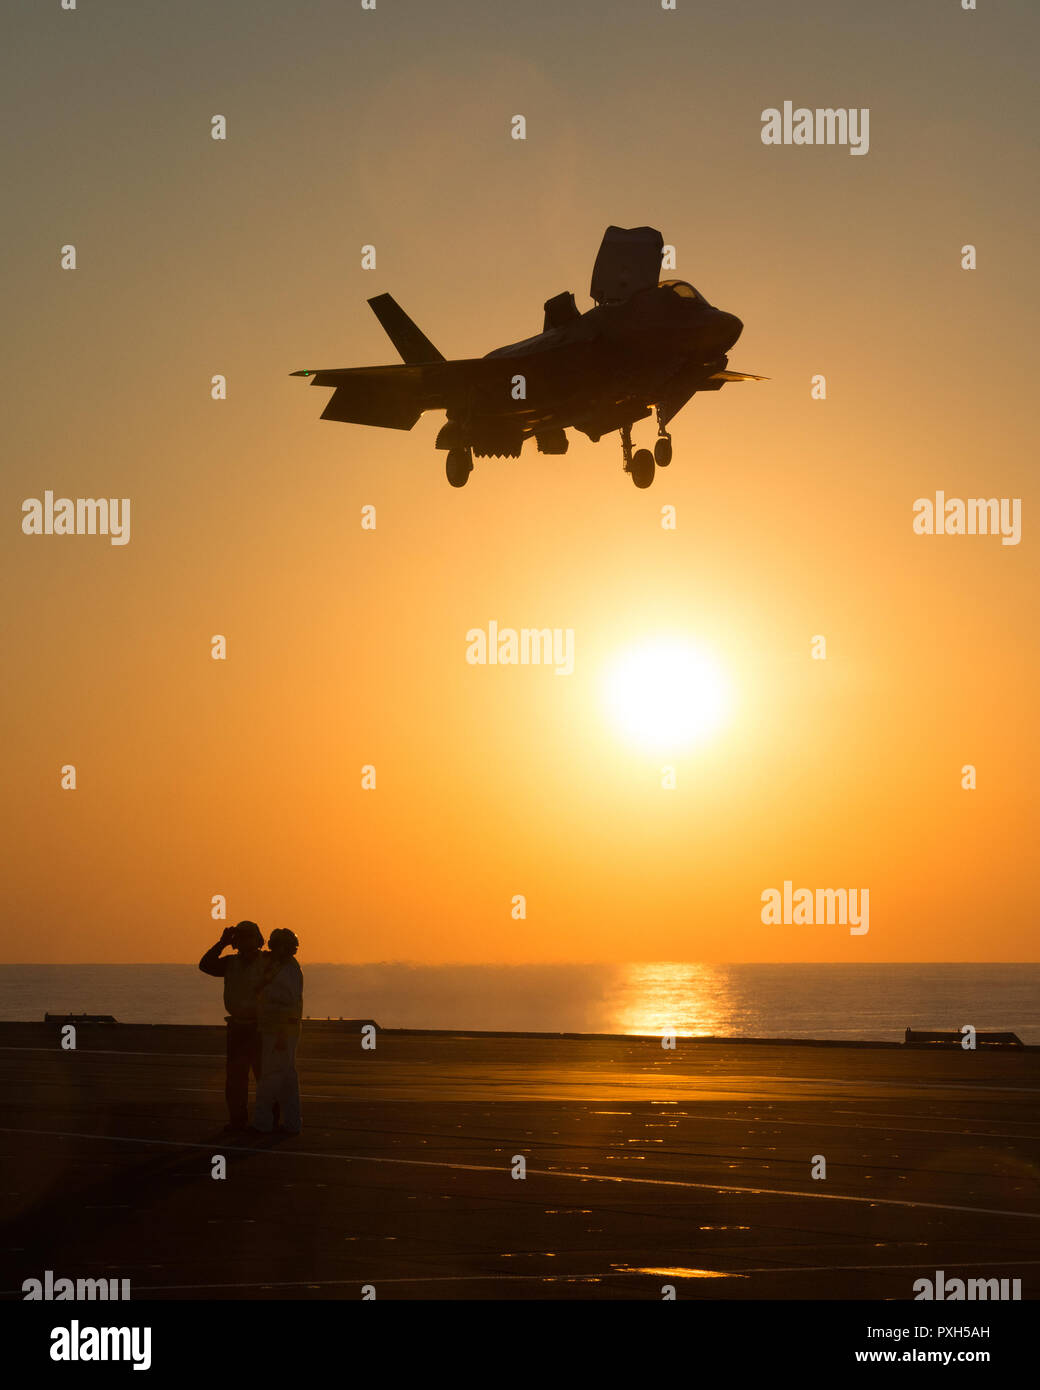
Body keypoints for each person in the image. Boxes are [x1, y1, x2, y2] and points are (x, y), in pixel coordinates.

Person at [198, 921, 266, 1132]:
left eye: (249, 936)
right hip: (237, 1028)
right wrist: (222, 943)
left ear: (258, 940)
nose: (245, 941)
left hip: (261, 1027)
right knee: (236, 1078)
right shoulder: (230, 963)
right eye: (241, 937)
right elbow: (205, 965)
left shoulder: (268, 962)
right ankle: (238, 1120)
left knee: (265, 1076)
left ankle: (267, 1120)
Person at [252, 928, 304, 1135]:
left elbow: (289, 1004)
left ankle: (261, 1124)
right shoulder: (280, 966)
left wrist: (282, 1034)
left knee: (270, 1078)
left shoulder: (288, 970)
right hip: (277, 1029)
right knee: (288, 1079)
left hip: (279, 1031)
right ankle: (292, 1124)